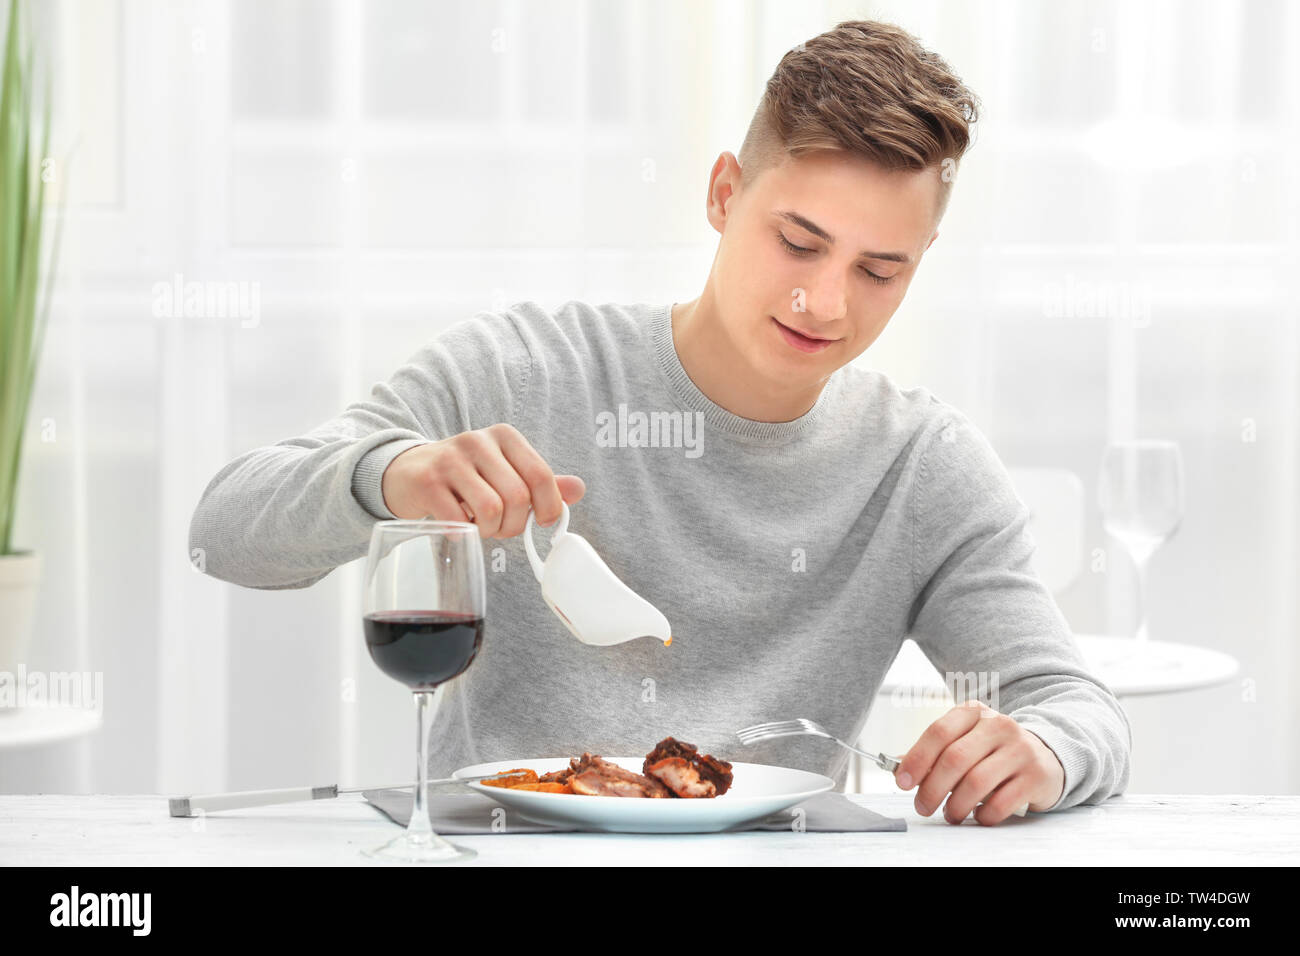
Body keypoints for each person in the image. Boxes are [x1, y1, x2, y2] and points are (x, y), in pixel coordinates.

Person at [190, 19, 1131, 825]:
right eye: (798, 242)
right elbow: (225, 530)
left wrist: (1042, 751)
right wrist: (389, 476)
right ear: (725, 194)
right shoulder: (524, 370)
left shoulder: (921, 466)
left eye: (879, 270)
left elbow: (1073, 704)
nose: (824, 300)